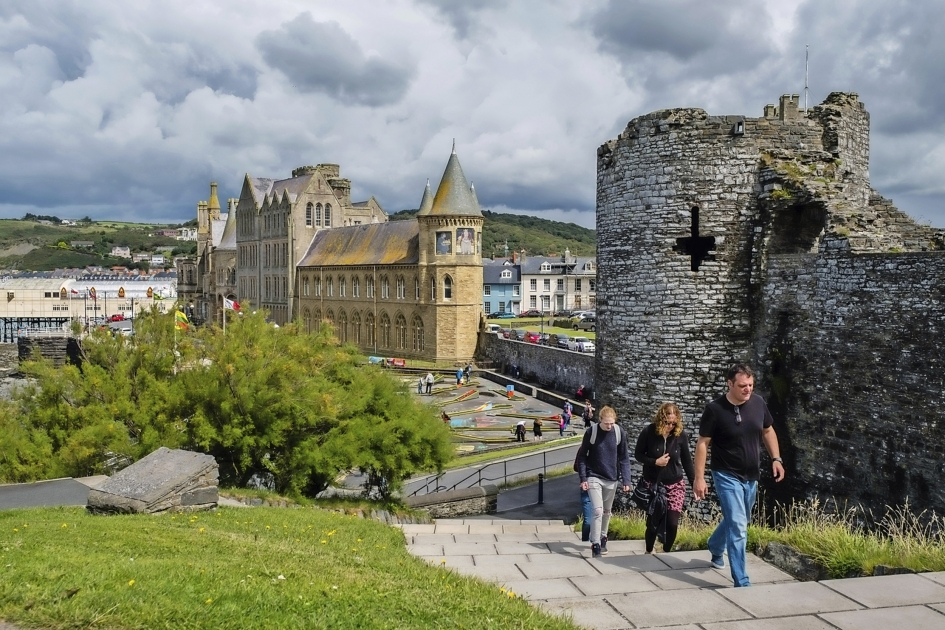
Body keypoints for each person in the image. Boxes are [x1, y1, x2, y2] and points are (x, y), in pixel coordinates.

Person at [693, 364, 785, 588]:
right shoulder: (715, 409)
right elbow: (703, 444)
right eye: (743, 386)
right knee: (739, 526)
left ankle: (715, 545)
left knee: (741, 519)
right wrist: (699, 478)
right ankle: (742, 581)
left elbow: (768, 430)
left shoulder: (758, 403)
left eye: (751, 385)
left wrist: (776, 458)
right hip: (725, 474)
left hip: (751, 475)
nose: (748, 390)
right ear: (730, 384)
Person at [634, 402, 694, 554]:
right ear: (661, 420)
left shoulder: (680, 435)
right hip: (653, 484)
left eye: (674, 423)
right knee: (653, 522)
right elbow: (638, 455)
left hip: (675, 484)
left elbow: (687, 461)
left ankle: (666, 552)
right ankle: (648, 551)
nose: (670, 426)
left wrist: (695, 483)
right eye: (667, 423)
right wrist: (655, 462)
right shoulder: (649, 432)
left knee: (672, 524)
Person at [575, 406, 632, 558]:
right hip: (594, 476)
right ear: (600, 420)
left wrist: (626, 480)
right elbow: (582, 457)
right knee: (598, 510)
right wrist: (583, 478)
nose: (609, 426)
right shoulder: (591, 432)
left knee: (607, 512)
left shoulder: (619, 433)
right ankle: (595, 545)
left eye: (612, 423)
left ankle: (603, 537)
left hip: (612, 478)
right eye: (607, 423)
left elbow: (624, 458)